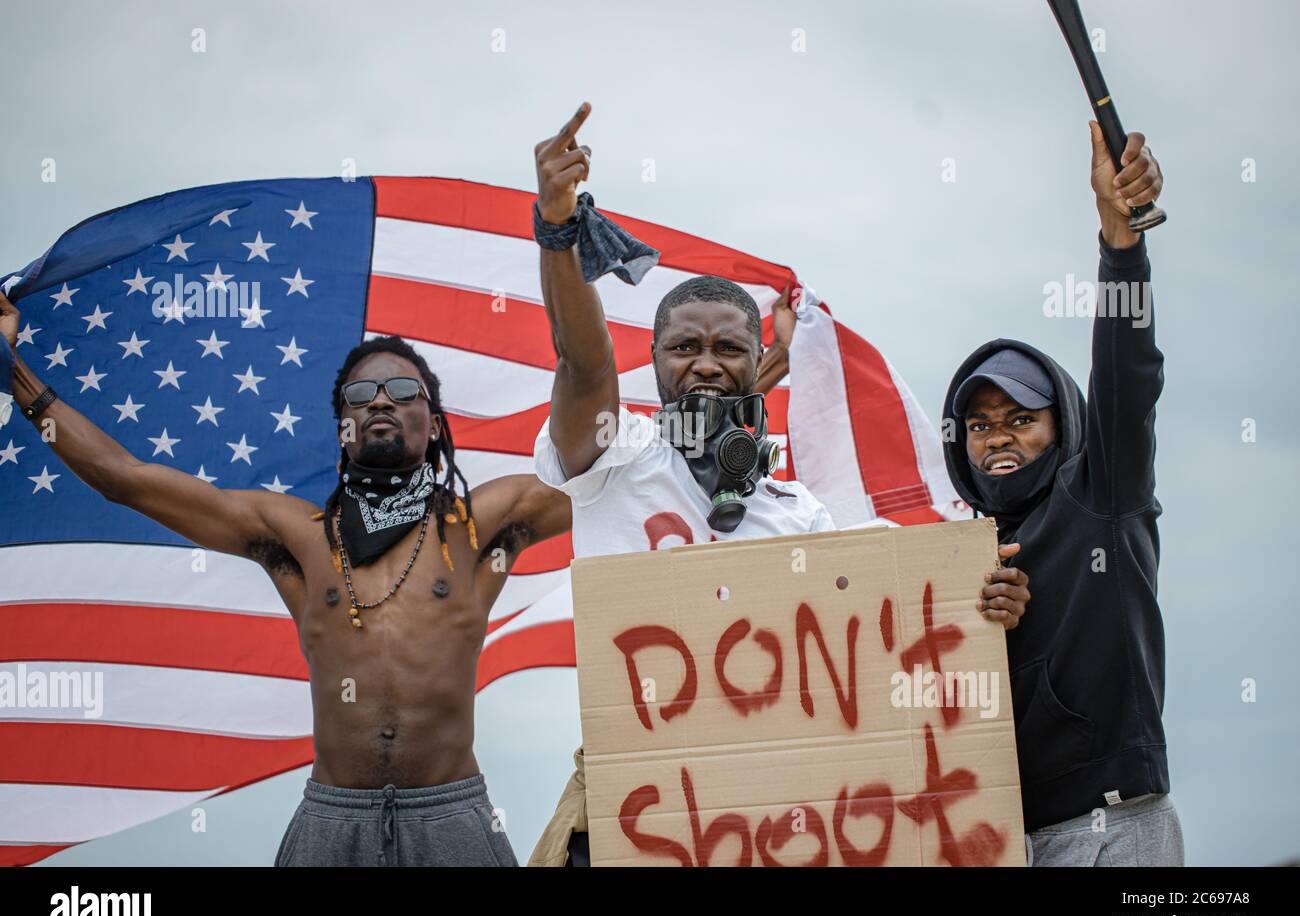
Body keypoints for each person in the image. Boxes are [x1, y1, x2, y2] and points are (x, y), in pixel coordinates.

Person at [526, 103, 1032, 866]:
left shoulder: (799, 514)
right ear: (656, 360)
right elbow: (584, 365)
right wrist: (560, 232)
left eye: (727, 348)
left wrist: (986, 596)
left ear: (753, 361)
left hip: (762, 830)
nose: (704, 362)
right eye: (682, 346)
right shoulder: (613, 460)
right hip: (640, 820)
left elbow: (898, 625)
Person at [0, 300, 571, 867]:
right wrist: (13, 371)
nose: (378, 399)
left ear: (436, 421)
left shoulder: (481, 524)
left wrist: (565, 250)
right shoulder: (298, 535)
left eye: (402, 390)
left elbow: (604, 477)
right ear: (341, 427)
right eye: (358, 394)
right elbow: (127, 480)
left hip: (452, 817)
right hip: (332, 821)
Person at [940, 122, 1182, 866]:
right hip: (1002, 843)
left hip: (1109, 829)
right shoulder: (956, 561)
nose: (999, 438)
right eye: (979, 425)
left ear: (1066, 425)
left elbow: (1127, 377)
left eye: (1021, 418)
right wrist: (983, 625)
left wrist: (1120, 245)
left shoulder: (1100, 497)